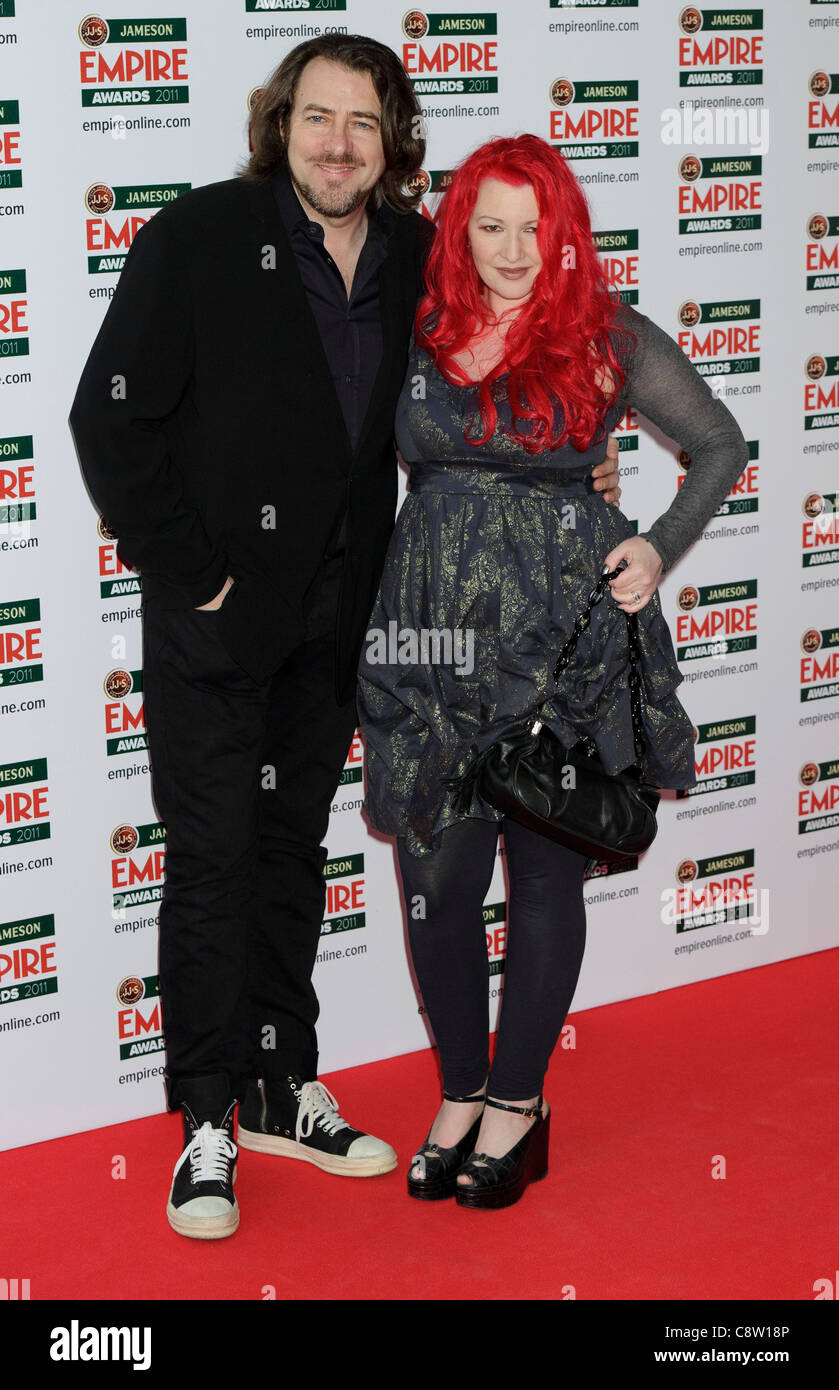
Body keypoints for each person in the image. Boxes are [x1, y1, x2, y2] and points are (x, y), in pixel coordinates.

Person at [68, 34, 626, 1240]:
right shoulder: (201, 239)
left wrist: (592, 461)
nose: (336, 143)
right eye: (316, 118)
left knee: (288, 858)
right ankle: (206, 1118)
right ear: (282, 127)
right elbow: (108, 421)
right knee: (212, 867)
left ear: (391, 140)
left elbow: (516, 357)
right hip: (216, 632)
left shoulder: (424, 256)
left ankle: (280, 1081)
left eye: (361, 124)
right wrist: (197, 573)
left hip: (347, 634)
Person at [356, 134, 750, 1211]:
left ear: (564, 229)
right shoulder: (418, 331)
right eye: (489, 225)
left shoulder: (603, 333)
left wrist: (656, 545)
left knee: (540, 875)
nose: (513, 249)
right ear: (458, 230)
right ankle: (459, 1089)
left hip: (562, 637)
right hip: (429, 634)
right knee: (434, 880)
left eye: (535, 226)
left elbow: (718, 442)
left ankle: (517, 1103)